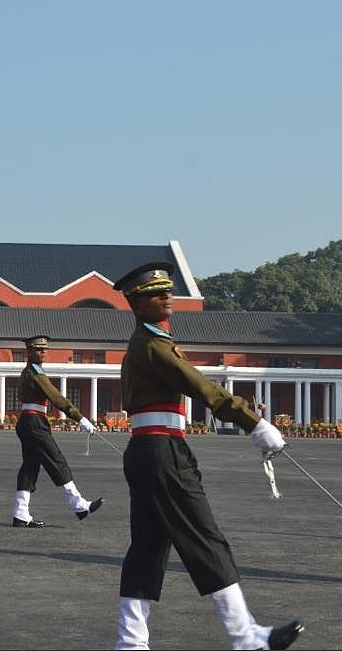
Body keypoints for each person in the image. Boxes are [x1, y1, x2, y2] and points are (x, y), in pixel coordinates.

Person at [111, 261, 303, 650]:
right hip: (162, 450)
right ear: (136, 304)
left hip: (151, 450)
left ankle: (130, 642)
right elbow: (199, 385)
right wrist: (253, 423)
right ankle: (245, 637)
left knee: (148, 546)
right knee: (205, 538)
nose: (167, 297)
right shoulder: (151, 345)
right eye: (155, 294)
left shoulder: (150, 342)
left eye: (168, 291)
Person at [11, 335, 103, 528]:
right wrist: (80, 418)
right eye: (38, 349)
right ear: (28, 351)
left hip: (29, 421)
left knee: (30, 467)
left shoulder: (29, 372)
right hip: (35, 422)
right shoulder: (35, 373)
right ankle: (79, 505)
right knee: (56, 460)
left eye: (44, 349)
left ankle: (20, 513)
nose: (42, 352)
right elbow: (57, 398)